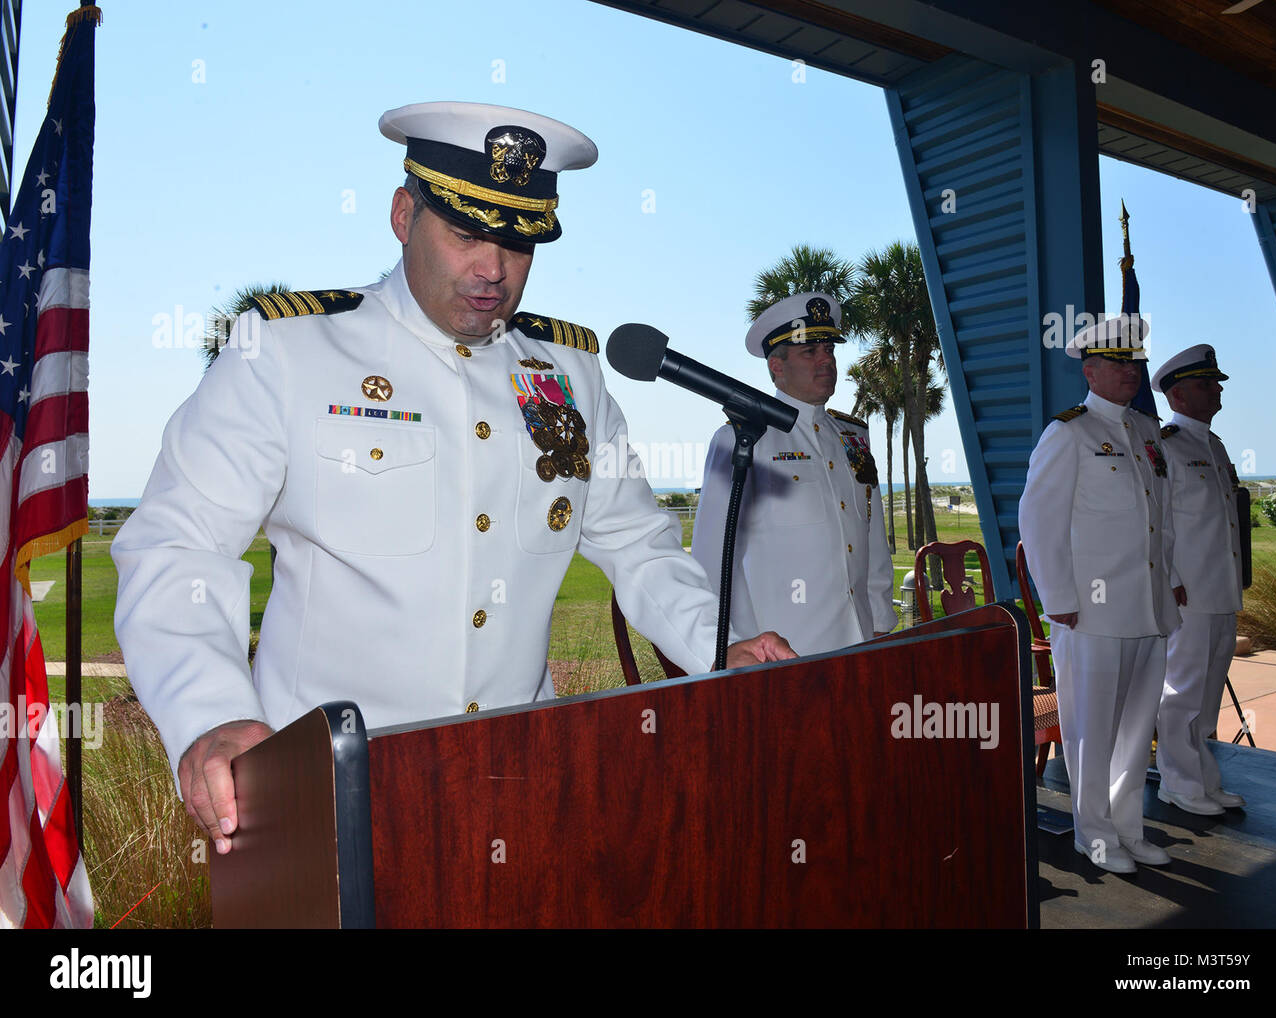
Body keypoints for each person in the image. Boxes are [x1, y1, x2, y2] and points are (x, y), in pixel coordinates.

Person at [112, 102, 792, 855]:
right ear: (403, 216)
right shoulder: (287, 351)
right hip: (332, 799)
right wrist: (210, 715)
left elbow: (640, 545)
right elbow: (179, 546)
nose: (492, 270)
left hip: (526, 787)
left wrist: (719, 647)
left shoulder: (569, 374)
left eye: (519, 242)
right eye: (466, 234)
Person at [1018, 316, 1185, 874]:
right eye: (1116, 363)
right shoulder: (1070, 433)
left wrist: (1169, 580)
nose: (1129, 372)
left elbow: (1161, 519)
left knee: (1137, 730)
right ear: (1089, 371)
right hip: (1090, 610)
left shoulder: (1147, 432)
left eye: (1134, 362)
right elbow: (1039, 519)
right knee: (1092, 731)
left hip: (1148, 606)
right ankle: (1094, 836)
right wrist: (1058, 596)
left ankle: (1128, 830)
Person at [691, 293, 897, 655]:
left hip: (861, 642)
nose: (826, 360)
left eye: (829, 350)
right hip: (785, 652)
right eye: (810, 352)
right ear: (777, 366)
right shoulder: (742, 439)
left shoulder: (853, 436)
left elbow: (872, 535)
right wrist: (738, 647)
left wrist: (881, 622)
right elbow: (713, 559)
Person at [1152, 344, 1244, 816]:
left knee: (1207, 694)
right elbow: (1157, 520)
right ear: (1178, 395)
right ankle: (1178, 783)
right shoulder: (1167, 445)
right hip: (1188, 591)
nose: (1217, 390)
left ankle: (1203, 777)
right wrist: (1170, 579)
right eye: (1207, 383)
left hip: (1220, 587)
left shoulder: (1214, 445)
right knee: (1182, 691)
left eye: (1216, 382)